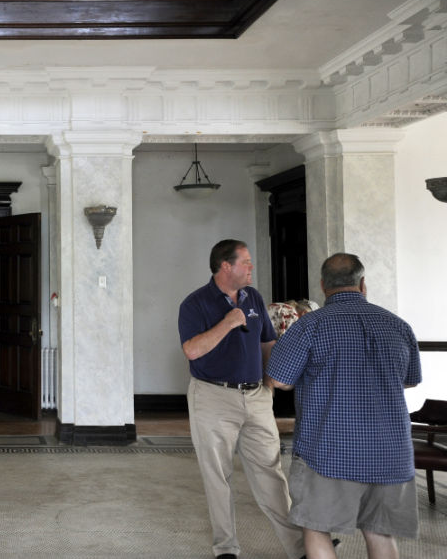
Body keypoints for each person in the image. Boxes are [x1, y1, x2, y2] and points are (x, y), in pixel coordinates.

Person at [267, 253, 422, 559]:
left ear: (323, 286)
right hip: (391, 452)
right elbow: (408, 381)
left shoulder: (308, 326)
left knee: (316, 527)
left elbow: (278, 380)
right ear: (363, 284)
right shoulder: (398, 326)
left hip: (328, 450)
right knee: (380, 531)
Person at [178, 239, 305, 559]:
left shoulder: (255, 297)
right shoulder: (195, 303)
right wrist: (229, 322)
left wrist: (270, 383)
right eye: (245, 262)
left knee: (271, 472)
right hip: (212, 397)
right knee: (218, 475)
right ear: (225, 266)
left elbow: (267, 344)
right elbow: (192, 350)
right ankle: (226, 548)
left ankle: (300, 548)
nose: (251, 267)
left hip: (257, 396)